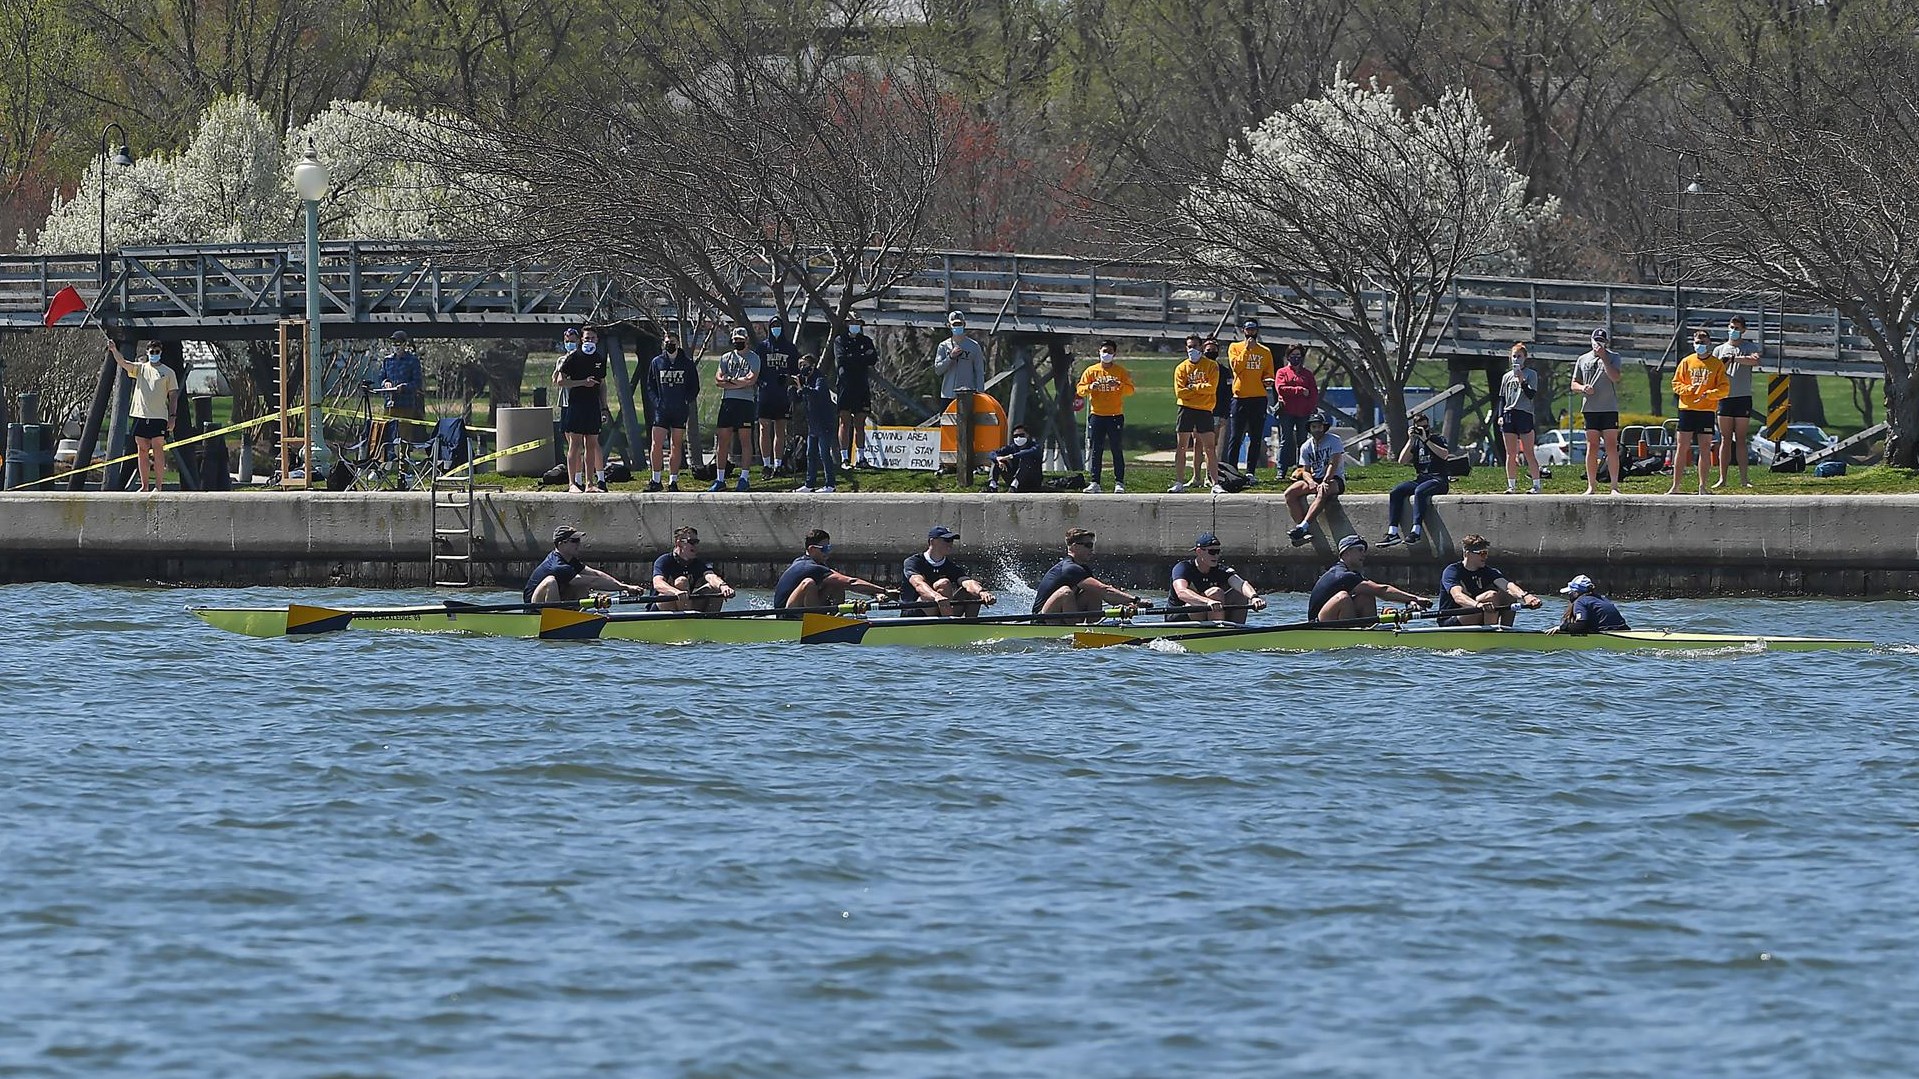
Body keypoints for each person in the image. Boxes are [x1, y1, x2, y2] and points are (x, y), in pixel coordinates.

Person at [1031, 527, 1151, 622]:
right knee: (1065, 592)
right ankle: (1075, 629)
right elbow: (1105, 590)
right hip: (1042, 618)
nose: (1092, 549)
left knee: (1093, 591)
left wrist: (1129, 604)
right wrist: (1136, 599)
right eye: (1088, 545)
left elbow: (1106, 595)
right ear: (1074, 546)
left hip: (1062, 616)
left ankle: (1091, 626)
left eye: (1092, 545)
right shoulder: (1069, 568)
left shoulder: (1083, 569)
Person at [1305, 535, 1429, 623]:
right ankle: (1354, 633)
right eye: (1360, 550)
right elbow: (1382, 590)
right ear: (1346, 552)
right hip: (1317, 622)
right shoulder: (1342, 575)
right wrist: (1414, 598)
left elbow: (1376, 591)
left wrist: (1408, 602)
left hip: (1331, 618)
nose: (1363, 555)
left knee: (1366, 596)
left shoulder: (1351, 574)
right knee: (1343, 597)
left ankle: (1369, 629)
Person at [107, 339, 178, 492]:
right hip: (140, 415)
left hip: (159, 416)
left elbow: (173, 395)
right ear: (147, 352)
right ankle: (144, 486)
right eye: (151, 352)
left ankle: (158, 487)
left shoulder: (168, 372)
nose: (154, 354)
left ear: (161, 352)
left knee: (158, 449)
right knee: (142, 449)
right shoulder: (140, 368)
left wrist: (173, 416)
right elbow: (123, 363)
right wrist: (114, 350)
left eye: (156, 352)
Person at [1668, 327, 1730, 495]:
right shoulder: (1686, 361)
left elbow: (1724, 388)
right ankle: (1675, 486)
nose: (1700, 345)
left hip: (1706, 410)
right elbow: (1676, 384)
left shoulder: (1716, 364)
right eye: (1697, 343)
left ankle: (1702, 486)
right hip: (1687, 409)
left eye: (1703, 343)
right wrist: (1689, 389)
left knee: (1704, 448)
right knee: (1682, 447)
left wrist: (1709, 394)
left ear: (1709, 343)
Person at [1435, 533, 1542, 627]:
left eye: (1486, 553)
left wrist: (1526, 596)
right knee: (1491, 596)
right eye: (1481, 553)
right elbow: (1458, 597)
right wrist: (1478, 605)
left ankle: (1506, 632)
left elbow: (1507, 586)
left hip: (1478, 612)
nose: (1485, 557)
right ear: (1467, 554)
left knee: (1509, 595)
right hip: (1451, 619)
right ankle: (1490, 635)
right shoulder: (1452, 571)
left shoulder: (1487, 571)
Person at [773, 528, 891, 611]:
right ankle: (818, 620)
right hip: (786, 613)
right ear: (812, 549)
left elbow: (845, 580)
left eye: (829, 548)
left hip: (800, 607)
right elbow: (852, 583)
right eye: (824, 549)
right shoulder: (809, 567)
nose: (828, 552)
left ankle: (835, 616)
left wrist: (876, 593)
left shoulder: (814, 564)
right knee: (808, 583)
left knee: (837, 583)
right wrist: (885, 591)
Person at [1380, 411, 1450, 546]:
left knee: (1419, 491)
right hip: (1421, 478)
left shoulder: (1437, 439)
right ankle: (1392, 532)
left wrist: (1426, 440)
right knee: (1396, 491)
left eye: (1426, 427)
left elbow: (1444, 455)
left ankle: (1416, 531)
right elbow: (1402, 461)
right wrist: (1411, 440)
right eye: (1420, 428)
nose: (1424, 430)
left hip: (1438, 479)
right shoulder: (1416, 443)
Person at [524, 524, 642, 603]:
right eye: (574, 541)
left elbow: (596, 574)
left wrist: (624, 587)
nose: (578, 544)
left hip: (554, 601)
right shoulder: (557, 565)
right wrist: (625, 587)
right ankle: (556, 618)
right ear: (561, 543)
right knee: (551, 581)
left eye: (578, 540)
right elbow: (592, 581)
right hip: (534, 606)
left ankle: (577, 615)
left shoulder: (570, 560)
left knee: (582, 585)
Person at [1076, 339, 1135, 493]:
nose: (1106, 354)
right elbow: (1080, 390)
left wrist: (1119, 386)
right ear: (1099, 352)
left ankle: (1119, 482)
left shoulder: (1120, 371)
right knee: (1096, 449)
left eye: (1109, 351)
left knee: (1116, 449)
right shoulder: (1091, 371)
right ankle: (1095, 482)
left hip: (1115, 415)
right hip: (1097, 415)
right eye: (1104, 351)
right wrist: (1090, 387)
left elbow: (1130, 390)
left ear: (1114, 353)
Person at [1570, 327, 1624, 496]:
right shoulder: (1582, 359)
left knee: (1610, 446)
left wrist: (1604, 359)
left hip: (1608, 407)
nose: (1597, 344)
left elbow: (1615, 377)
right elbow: (1573, 384)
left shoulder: (1614, 357)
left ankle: (1614, 486)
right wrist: (1582, 388)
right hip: (1590, 408)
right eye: (1595, 341)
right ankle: (1591, 485)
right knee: (1592, 446)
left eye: (1601, 341)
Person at [1167, 532, 1265, 623]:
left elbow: (1241, 584)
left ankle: (1235, 632)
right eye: (1212, 552)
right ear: (1199, 551)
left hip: (1210, 612)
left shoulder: (1220, 569)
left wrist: (1254, 597)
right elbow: (1181, 592)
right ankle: (1216, 629)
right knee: (1215, 592)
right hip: (1178, 615)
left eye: (1218, 551)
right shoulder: (1183, 568)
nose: (1216, 556)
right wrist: (1208, 602)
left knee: (1239, 593)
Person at [556, 325, 609, 492]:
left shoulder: (599, 359)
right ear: (581, 340)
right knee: (575, 444)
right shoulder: (573, 358)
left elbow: (601, 384)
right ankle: (572, 482)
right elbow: (560, 381)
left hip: (592, 405)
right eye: (586, 338)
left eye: (592, 338)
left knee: (592, 444)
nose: (589, 341)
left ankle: (590, 483)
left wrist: (604, 407)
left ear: (597, 340)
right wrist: (582, 382)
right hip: (576, 404)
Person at [645, 332, 700, 492]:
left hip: (679, 410)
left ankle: (673, 481)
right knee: (656, 444)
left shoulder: (687, 363)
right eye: (668, 342)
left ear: (678, 343)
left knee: (676, 444)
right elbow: (650, 386)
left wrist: (685, 400)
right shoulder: (657, 362)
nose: (670, 344)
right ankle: (655, 480)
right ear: (663, 343)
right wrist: (657, 402)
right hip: (662, 410)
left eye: (673, 342)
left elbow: (694, 387)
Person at [902, 526, 996, 617]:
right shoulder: (913, 562)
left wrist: (982, 592)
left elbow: (968, 582)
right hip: (914, 610)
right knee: (944, 583)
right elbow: (918, 584)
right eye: (946, 540)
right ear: (932, 541)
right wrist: (936, 596)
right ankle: (949, 623)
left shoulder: (951, 566)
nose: (950, 544)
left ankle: (971, 625)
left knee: (972, 591)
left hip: (943, 610)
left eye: (951, 540)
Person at [708, 327, 760, 492]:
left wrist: (730, 381)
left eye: (741, 339)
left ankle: (744, 477)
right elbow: (718, 380)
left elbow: (750, 380)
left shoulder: (754, 358)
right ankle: (720, 478)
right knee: (723, 440)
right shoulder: (726, 358)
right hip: (728, 402)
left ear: (746, 340)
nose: (738, 342)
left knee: (745, 440)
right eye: (735, 339)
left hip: (745, 403)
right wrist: (737, 381)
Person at [1714, 315, 1763, 489]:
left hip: (1742, 397)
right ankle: (1722, 478)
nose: (1733, 331)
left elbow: (1755, 360)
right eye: (1731, 327)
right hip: (1725, 398)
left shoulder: (1749, 347)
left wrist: (1734, 359)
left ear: (1743, 330)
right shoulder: (1719, 349)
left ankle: (1744, 478)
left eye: (1736, 328)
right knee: (1725, 439)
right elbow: (1716, 371)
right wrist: (1725, 363)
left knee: (1741, 438)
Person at [1170, 334, 1222, 493]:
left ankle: (1215, 483)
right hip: (1185, 408)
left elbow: (1211, 388)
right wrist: (1199, 388)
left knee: (1209, 447)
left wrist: (1192, 387)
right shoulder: (1181, 368)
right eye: (1189, 347)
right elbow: (1180, 392)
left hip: (1205, 409)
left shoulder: (1211, 366)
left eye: (1195, 346)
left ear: (1201, 347)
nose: (1192, 350)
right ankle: (1179, 482)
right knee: (1182, 446)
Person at [1223, 319, 1275, 478]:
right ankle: (1231, 471)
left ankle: (1251, 472)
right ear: (1243, 331)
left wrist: (1268, 379)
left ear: (1257, 331)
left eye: (1253, 329)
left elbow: (1269, 372)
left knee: (1255, 437)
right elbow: (1236, 368)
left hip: (1258, 398)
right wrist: (1247, 350)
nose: (1251, 332)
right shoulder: (1235, 347)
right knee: (1235, 437)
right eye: (1248, 329)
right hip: (1240, 398)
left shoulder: (1265, 351)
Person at [1284, 412, 1345, 546]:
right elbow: (1305, 471)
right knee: (1289, 493)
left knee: (1323, 491)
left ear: (1324, 427)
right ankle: (1302, 531)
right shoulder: (1306, 446)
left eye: (1319, 427)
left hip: (1334, 478)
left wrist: (1325, 480)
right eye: (1314, 427)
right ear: (1310, 429)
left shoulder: (1334, 440)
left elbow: (1333, 463)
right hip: (1316, 478)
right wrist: (1311, 482)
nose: (1317, 430)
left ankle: (1303, 526)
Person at [754, 318, 800, 481]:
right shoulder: (762, 347)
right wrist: (761, 382)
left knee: (780, 430)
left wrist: (789, 380)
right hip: (766, 394)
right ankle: (766, 465)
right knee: (764, 429)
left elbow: (796, 372)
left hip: (783, 396)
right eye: (773, 326)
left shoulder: (790, 348)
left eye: (778, 326)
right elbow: (755, 371)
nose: (776, 329)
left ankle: (778, 465)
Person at [650, 525, 736, 613]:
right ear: (679, 543)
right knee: (681, 581)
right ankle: (687, 621)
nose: (695, 546)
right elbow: (658, 583)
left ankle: (710, 621)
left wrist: (723, 586)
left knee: (714, 588)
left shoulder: (698, 563)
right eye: (692, 542)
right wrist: (675, 592)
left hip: (685, 606)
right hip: (661, 607)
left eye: (696, 542)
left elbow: (711, 577)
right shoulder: (664, 561)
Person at [834, 313, 878, 469]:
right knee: (844, 421)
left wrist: (855, 358)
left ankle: (861, 457)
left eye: (857, 322)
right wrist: (860, 357)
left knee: (860, 422)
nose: (855, 325)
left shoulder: (866, 341)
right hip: (845, 384)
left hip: (861, 384)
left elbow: (872, 358)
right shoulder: (840, 340)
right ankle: (845, 458)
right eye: (852, 322)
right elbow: (842, 359)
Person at [1270, 344, 1319, 480]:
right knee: (1285, 441)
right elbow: (1281, 389)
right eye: (1293, 355)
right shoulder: (1282, 372)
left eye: (1298, 355)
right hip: (1286, 411)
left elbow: (1313, 392)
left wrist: (1310, 405)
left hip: (1304, 413)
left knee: (1303, 442)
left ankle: (1302, 469)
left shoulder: (1307, 374)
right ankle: (1281, 470)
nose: (1295, 358)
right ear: (1288, 356)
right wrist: (1299, 390)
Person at [792, 352, 839, 493]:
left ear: (812, 366)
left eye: (804, 365)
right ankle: (809, 483)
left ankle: (830, 484)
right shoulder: (806, 380)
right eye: (800, 365)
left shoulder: (820, 379)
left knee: (824, 453)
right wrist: (795, 392)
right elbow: (803, 398)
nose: (802, 368)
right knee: (810, 454)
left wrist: (803, 389)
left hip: (824, 422)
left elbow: (818, 394)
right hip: (813, 424)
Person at [1499, 342, 1542, 494]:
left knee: (1528, 452)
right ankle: (1511, 485)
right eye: (1514, 357)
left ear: (1525, 358)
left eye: (1519, 357)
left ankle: (1536, 484)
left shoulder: (1531, 374)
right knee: (1511, 453)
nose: (1516, 359)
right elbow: (1502, 398)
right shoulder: (1506, 377)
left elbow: (1531, 394)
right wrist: (1500, 415)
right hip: (1509, 413)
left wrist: (1522, 381)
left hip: (1524, 413)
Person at [933, 310, 987, 413]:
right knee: (947, 426)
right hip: (947, 395)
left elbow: (979, 372)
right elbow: (938, 370)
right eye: (954, 324)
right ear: (949, 325)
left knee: (967, 426)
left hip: (967, 395)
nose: (957, 326)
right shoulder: (943, 346)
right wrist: (950, 357)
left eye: (959, 324)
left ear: (964, 324)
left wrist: (980, 394)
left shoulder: (974, 346)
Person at [379, 330, 425, 448]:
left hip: (406, 405)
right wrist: (386, 383)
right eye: (393, 343)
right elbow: (382, 377)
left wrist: (404, 387)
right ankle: (387, 464)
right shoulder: (387, 360)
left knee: (404, 438)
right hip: (389, 404)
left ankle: (403, 464)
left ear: (405, 344)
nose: (396, 346)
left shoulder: (412, 360)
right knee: (387, 436)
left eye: (398, 343)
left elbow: (417, 383)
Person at [1546, 574, 1630, 635]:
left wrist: (1561, 627)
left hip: (1609, 634)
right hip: (1624, 631)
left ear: (1576, 592)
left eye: (1570, 592)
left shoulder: (1580, 602)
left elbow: (1580, 627)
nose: (1569, 595)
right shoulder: (1602, 598)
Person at [986, 422, 1044, 492]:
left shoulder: (1035, 446)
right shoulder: (1012, 447)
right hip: (1012, 479)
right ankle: (993, 486)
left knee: (1025, 459)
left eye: (1021, 435)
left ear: (1027, 435)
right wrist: (997, 459)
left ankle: (1014, 485)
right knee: (997, 461)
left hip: (1032, 482)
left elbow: (1027, 453)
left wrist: (1011, 456)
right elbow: (992, 453)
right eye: (1016, 436)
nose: (1018, 438)